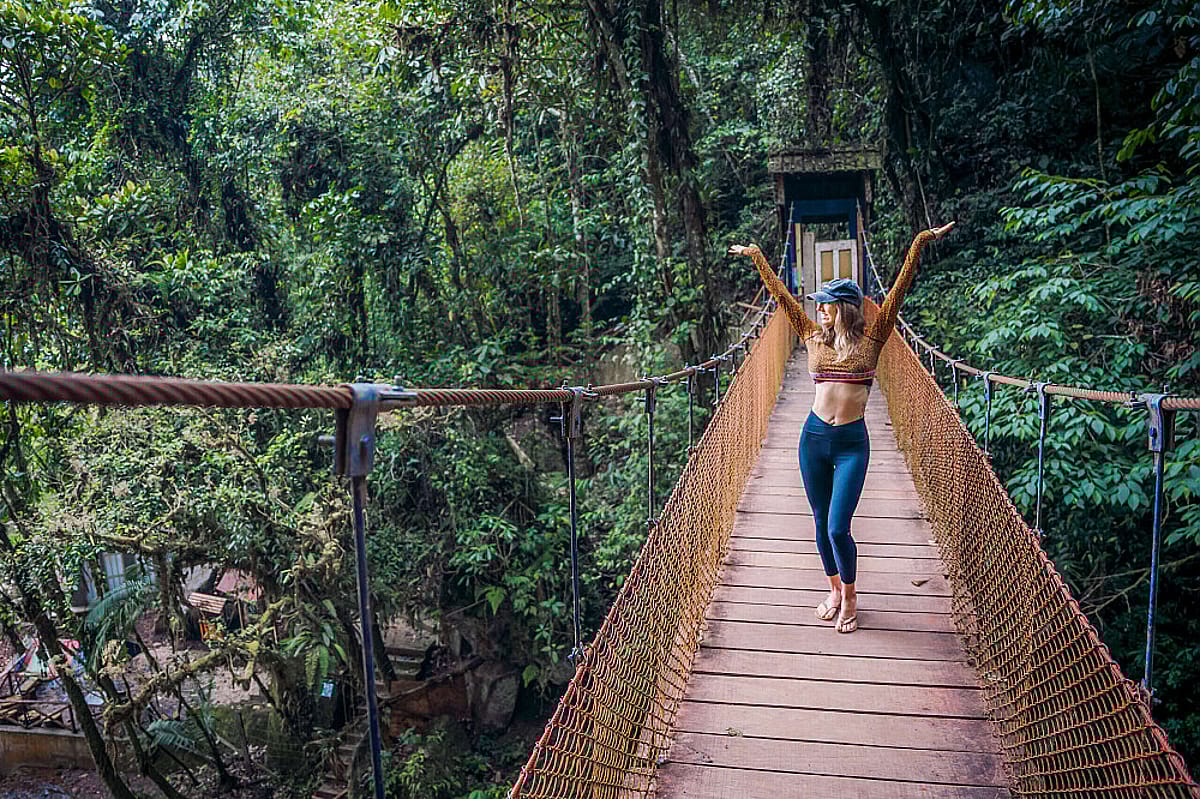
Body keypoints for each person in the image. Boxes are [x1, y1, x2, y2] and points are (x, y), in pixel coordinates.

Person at [728, 223, 954, 633]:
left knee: (837, 526)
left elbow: (899, 289)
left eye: (827, 304)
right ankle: (834, 588)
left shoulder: (874, 337)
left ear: (845, 307)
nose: (819, 310)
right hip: (813, 439)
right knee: (819, 523)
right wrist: (759, 257)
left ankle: (851, 594)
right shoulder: (812, 335)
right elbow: (781, 297)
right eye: (819, 305)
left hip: (851, 443)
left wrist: (920, 241)